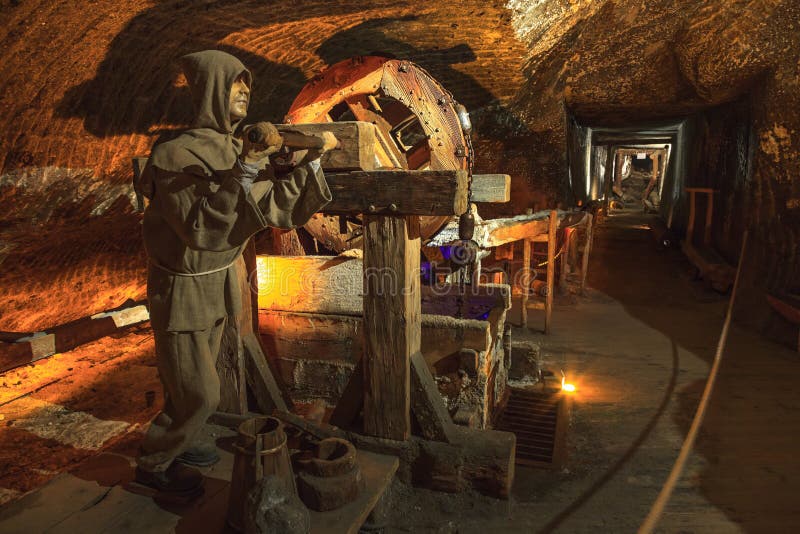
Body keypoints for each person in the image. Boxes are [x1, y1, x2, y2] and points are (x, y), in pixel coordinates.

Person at [134, 50, 331, 499]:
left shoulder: (232, 148)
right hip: (183, 289)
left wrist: (316, 160)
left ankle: (179, 443)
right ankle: (153, 463)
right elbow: (202, 227)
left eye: (247, 85)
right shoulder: (174, 154)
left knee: (188, 380)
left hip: (219, 282)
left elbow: (268, 206)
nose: (245, 92)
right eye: (234, 83)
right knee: (200, 391)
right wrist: (247, 163)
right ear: (208, 92)